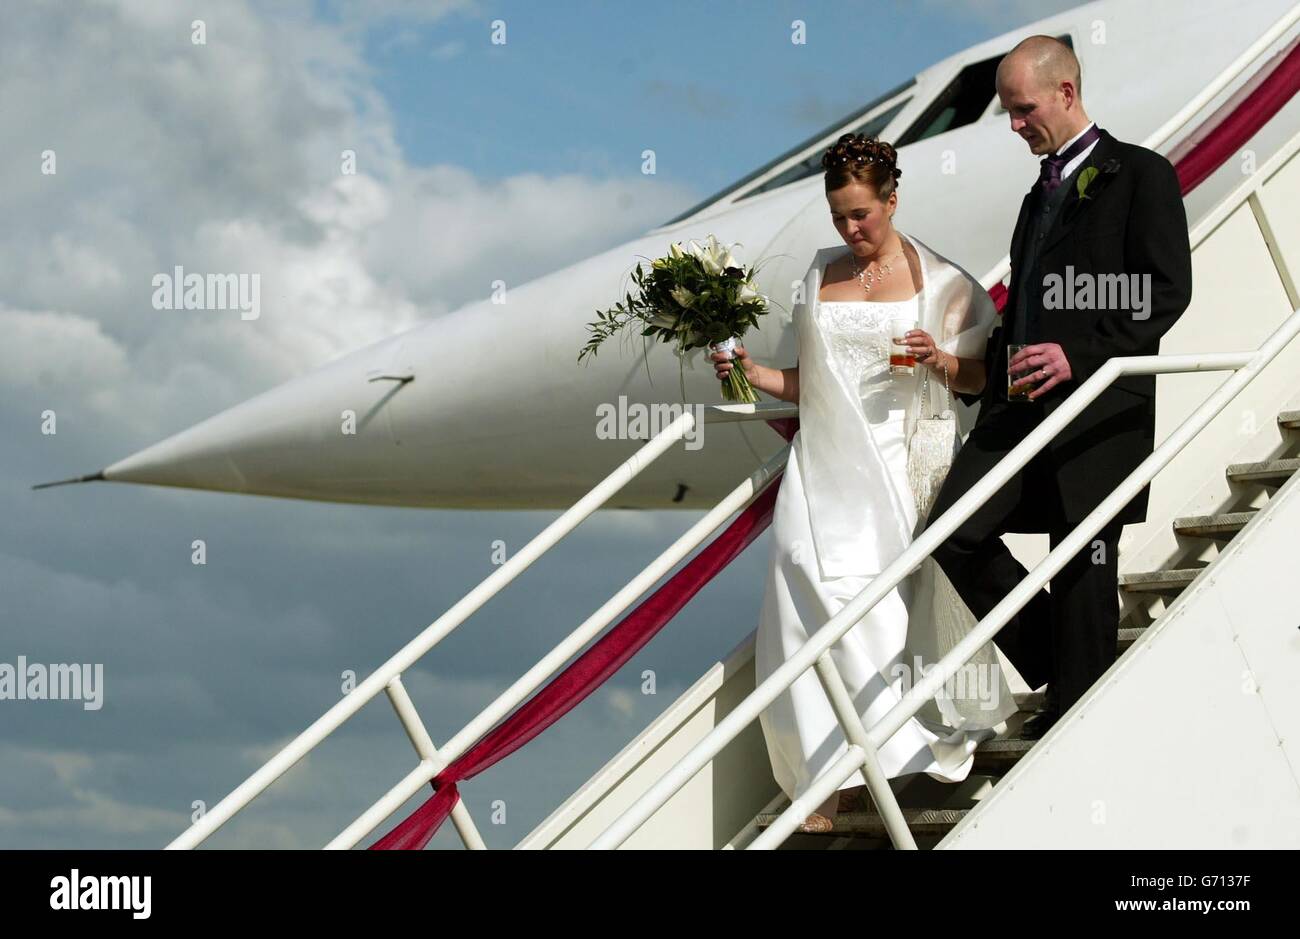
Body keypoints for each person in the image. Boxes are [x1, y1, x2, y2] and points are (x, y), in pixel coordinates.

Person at [712, 134, 1016, 832]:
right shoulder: (819, 274)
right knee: (796, 588)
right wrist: (744, 370)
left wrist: (940, 358)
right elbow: (804, 381)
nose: (850, 229)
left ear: (892, 200)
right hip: (821, 463)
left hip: (896, 462)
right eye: (838, 215)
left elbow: (977, 377)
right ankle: (823, 774)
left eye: (861, 215)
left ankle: (892, 746)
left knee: (875, 602)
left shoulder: (942, 281)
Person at [926, 36, 1193, 741]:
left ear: (1066, 94)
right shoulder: (1034, 196)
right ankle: (1051, 655)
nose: (1014, 125)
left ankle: (1077, 717)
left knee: (1084, 563)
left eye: (1022, 110)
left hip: (1098, 408)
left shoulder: (1142, 175)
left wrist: (1076, 354)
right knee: (952, 532)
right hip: (1016, 408)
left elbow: (1166, 292)